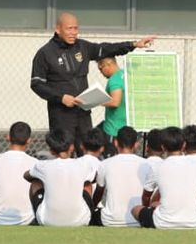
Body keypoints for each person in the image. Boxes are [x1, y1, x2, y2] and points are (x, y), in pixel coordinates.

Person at [30, 12, 154, 147]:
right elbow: (37, 84)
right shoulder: (45, 53)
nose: (73, 33)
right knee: (64, 152)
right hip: (61, 115)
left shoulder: (82, 47)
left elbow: (107, 49)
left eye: (76, 28)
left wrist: (134, 44)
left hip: (83, 113)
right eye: (69, 28)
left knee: (88, 150)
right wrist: (61, 98)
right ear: (58, 29)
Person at [133, 127, 196, 229]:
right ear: (184, 145)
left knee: (135, 209)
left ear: (163, 147)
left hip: (162, 222)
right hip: (194, 222)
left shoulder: (157, 167)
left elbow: (146, 196)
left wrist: (148, 209)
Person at [26, 128, 97, 227]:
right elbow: (96, 177)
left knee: (36, 183)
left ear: (51, 151)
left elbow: (26, 175)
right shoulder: (82, 164)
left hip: (47, 220)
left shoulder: (43, 166)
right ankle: (89, 216)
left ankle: (38, 217)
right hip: (80, 221)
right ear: (72, 147)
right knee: (87, 184)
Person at [93, 126, 145, 227]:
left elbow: (99, 192)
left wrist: (92, 208)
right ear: (136, 144)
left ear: (115, 143)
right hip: (138, 219)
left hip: (110, 220)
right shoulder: (146, 165)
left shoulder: (104, 164)